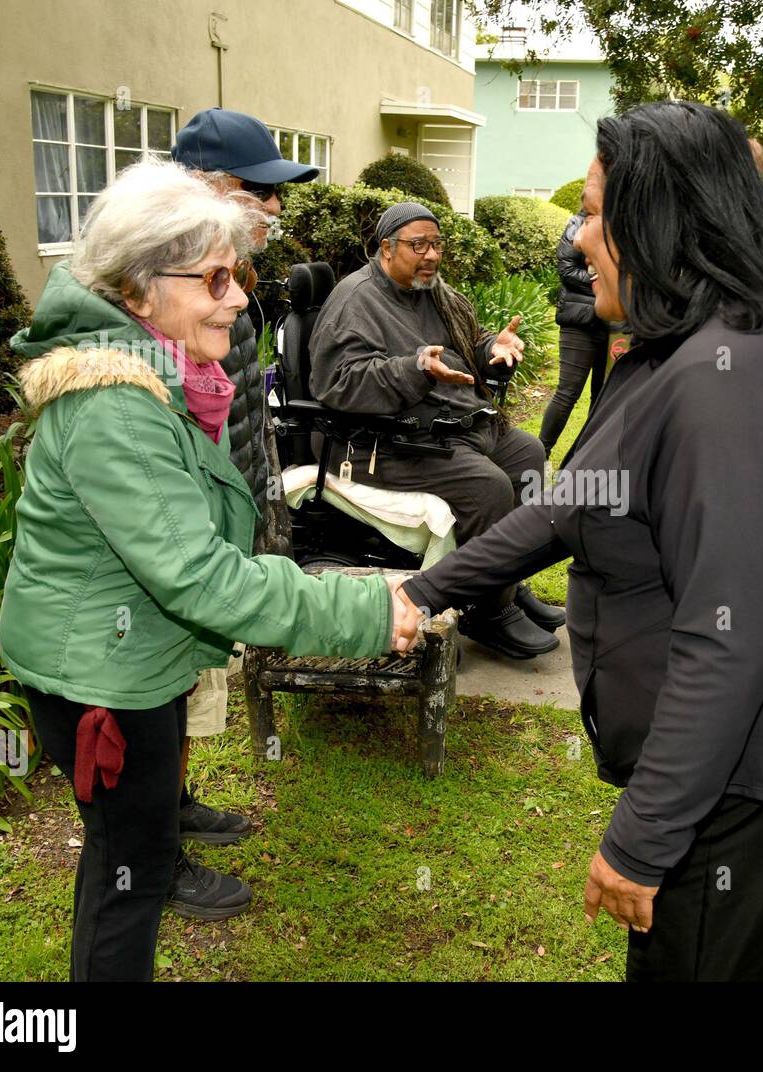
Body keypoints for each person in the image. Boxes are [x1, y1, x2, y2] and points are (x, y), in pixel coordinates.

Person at [392, 101, 763, 981]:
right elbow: (570, 504)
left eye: (592, 213)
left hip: (749, 769)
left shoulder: (727, 380)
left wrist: (643, 840)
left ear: (658, 222)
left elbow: (728, 638)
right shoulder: (681, 348)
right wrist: (425, 592)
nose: (580, 239)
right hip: (733, 755)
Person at [3, 160, 409, 980]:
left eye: (243, 273)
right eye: (216, 278)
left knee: (131, 860)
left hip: (125, 663)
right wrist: (363, 611)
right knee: (132, 876)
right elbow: (199, 576)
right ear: (142, 290)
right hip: (100, 686)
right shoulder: (115, 406)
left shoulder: (168, 374)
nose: (238, 297)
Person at [167, 107, 320, 909]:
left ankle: (174, 807)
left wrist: (264, 509)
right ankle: (150, 855)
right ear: (207, 187)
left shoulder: (235, 282)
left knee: (197, 684)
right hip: (183, 533)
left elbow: (248, 411)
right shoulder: (160, 292)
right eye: (259, 192)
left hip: (240, 502)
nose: (274, 210)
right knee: (168, 688)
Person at [308, 201, 565, 660]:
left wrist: (495, 348)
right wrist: (415, 370)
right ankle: (487, 610)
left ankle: (504, 582)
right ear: (386, 248)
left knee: (526, 455)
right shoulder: (356, 300)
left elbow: (470, 340)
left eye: (436, 244)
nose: (430, 255)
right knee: (487, 488)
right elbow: (337, 383)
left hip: (445, 426)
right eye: (418, 245)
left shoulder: (433, 291)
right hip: (381, 443)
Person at [538, 209, 610, 454]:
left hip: (615, 324)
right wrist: (607, 284)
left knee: (603, 396)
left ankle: (587, 456)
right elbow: (567, 271)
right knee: (568, 392)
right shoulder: (577, 223)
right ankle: (541, 453)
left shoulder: (625, 222)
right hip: (580, 321)